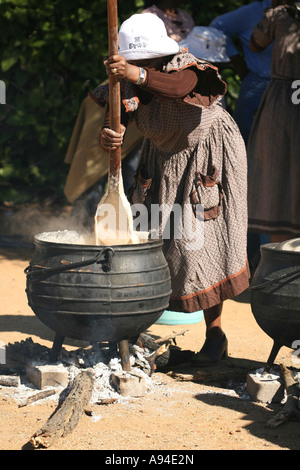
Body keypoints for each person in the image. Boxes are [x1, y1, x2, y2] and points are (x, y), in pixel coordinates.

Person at [89, 13, 249, 366]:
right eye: (135, 61)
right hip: (160, 162)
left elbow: (177, 89)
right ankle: (137, 329)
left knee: (200, 247)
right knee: (153, 243)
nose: (140, 66)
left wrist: (136, 73)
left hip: (205, 159)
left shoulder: (188, 68)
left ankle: (216, 335)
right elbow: (113, 123)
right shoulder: (126, 82)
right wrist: (109, 135)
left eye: (145, 62)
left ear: (161, 55)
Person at [210, 1, 273, 274]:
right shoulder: (255, 10)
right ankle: (249, 256)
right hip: (258, 87)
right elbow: (217, 28)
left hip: (292, 91)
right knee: (249, 170)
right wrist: (238, 62)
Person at [247, 0, 300, 242]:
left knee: (278, 171)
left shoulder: (279, 15)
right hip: (286, 97)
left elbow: (255, 43)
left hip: (285, 99)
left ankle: (282, 263)